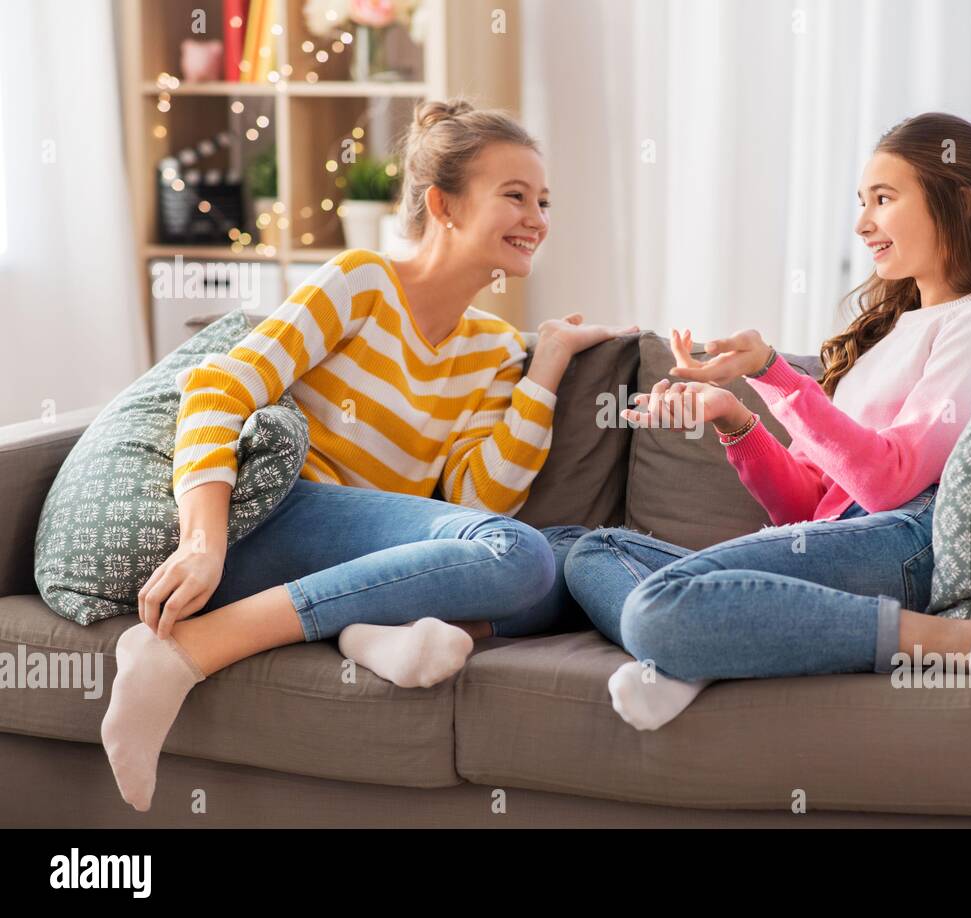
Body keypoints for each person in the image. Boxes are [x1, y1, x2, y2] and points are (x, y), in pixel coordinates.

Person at [101, 98, 634, 811]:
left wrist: (544, 370)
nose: (537, 217)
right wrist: (202, 542)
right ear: (442, 205)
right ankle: (178, 653)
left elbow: (476, 502)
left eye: (543, 200)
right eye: (514, 195)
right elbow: (219, 387)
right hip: (275, 527)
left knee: (564, 562)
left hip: (366, 556)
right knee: (523, 554)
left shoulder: (497, 350)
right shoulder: (361, 283)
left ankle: (367, 630)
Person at [562, 112, 971, 732]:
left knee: (653, 611)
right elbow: (805, 508)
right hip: (853, 531)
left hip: (905, 537)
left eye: (883, 200)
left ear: (961, 203)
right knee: (589, 549)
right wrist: (733, 417)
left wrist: (777, 373)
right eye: (862, 202)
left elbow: (891, 480)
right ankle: (700, 654)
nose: (863, 224)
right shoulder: (888, 338)